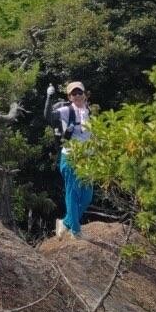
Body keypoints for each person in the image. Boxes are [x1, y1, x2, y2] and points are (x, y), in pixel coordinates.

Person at [51, 80, 94, 239]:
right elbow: (48, 115)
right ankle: (76, 231)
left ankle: (66, 223)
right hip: (70, 156)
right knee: (73, 193)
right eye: (73, 93)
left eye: (79, 92)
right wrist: (49, 97)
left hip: (87, 158)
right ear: (69, 96)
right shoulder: (66, 110)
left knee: (87, 196)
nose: (77, 96)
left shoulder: (89, 110)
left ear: (84, 94)